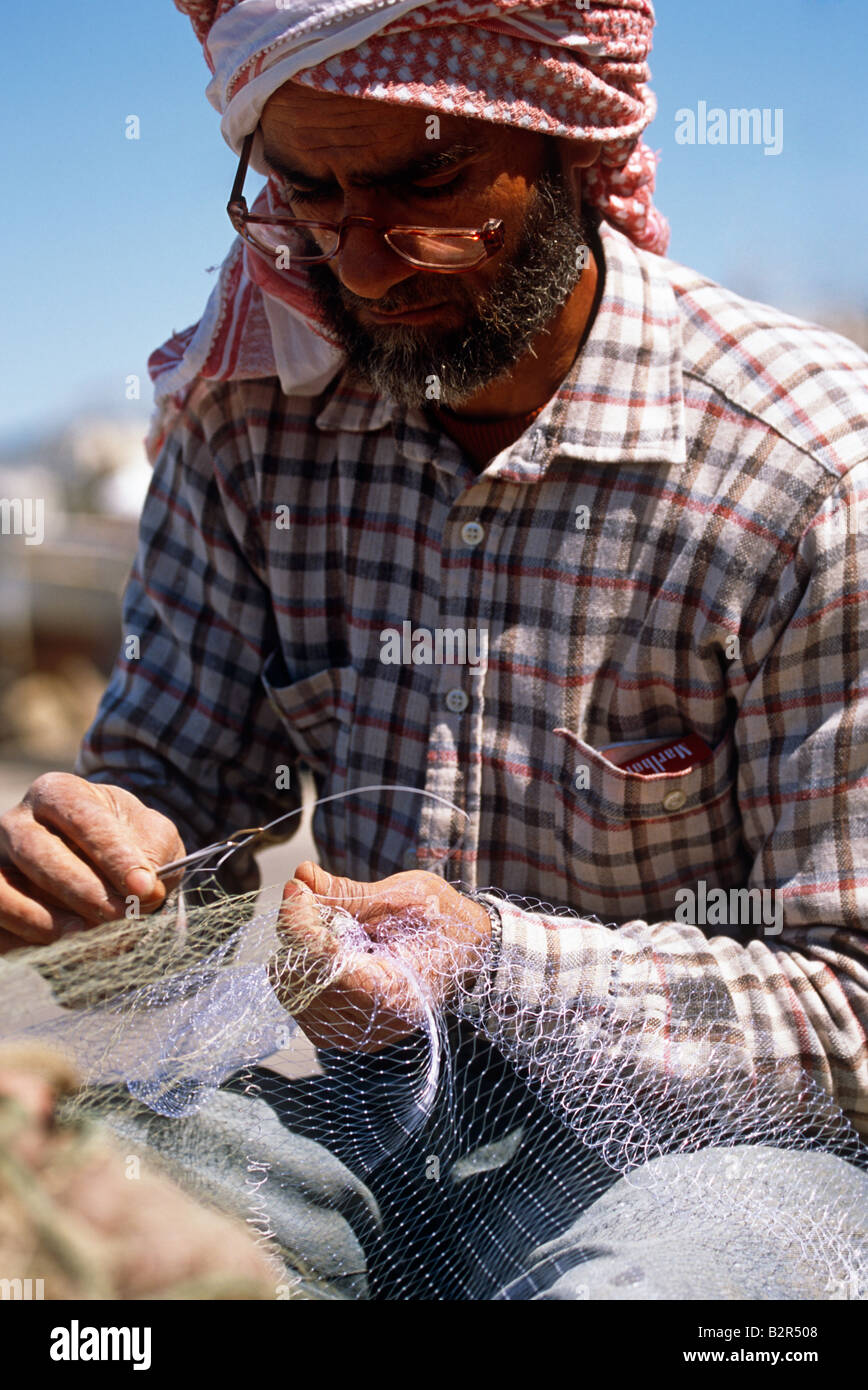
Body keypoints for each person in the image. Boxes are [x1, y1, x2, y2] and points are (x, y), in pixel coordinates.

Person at [1, 0, 867, 1299]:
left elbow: (851, 1009)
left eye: (426, 182)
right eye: (311, 191)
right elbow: (174, 843)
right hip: (349, 1109)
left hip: (718, 1152)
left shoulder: (809, 475)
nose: (364, 260)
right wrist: (85, 873)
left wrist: (493, 963)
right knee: (67, 1254)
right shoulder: (249, 427)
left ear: (574, 146)